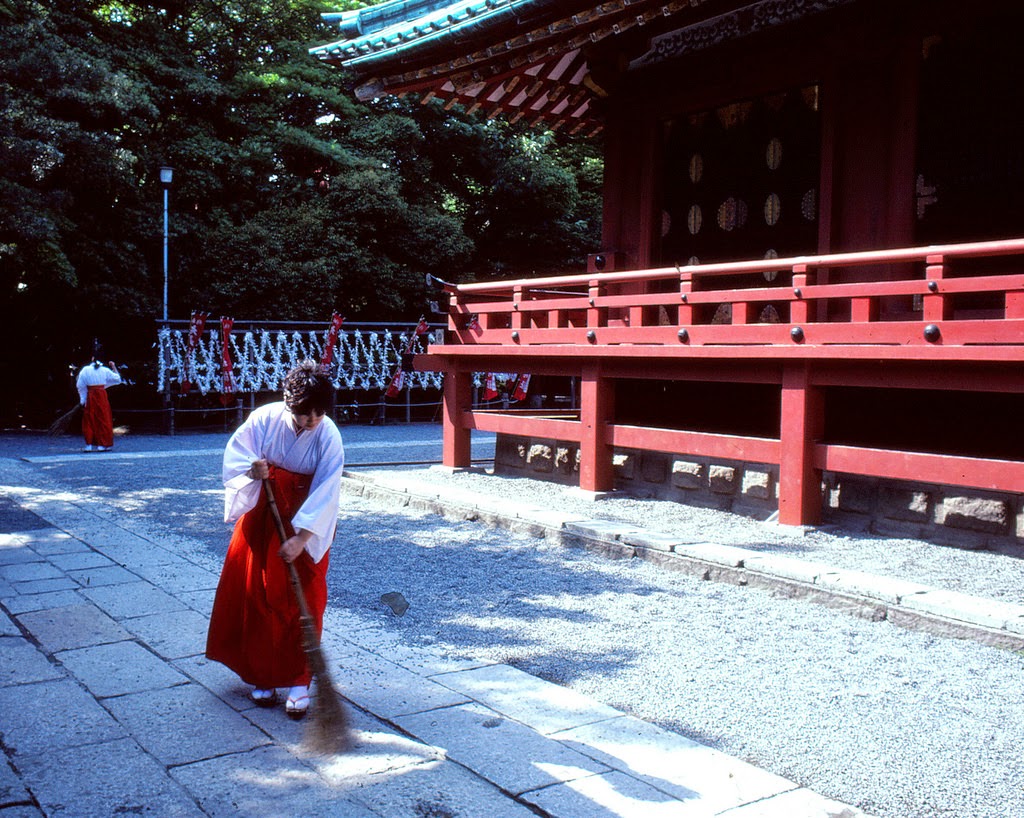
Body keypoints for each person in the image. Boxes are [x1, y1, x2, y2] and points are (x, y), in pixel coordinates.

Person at [205, 360, 345, 719]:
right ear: (288, 404)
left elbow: (327, 491)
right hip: (263, 514)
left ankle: (299, 680)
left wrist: (303, 538)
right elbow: (237, 459)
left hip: (304, 519)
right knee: (257, 593)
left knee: (304, 599)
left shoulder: (328, 435)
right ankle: (262, 674)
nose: (311, 420)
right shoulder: (265, 419)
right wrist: (253, 470)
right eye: (304, 413)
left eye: (318, 413)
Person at [76, 352, 122, 452]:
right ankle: (102, 445)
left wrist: (83, 399)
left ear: (92, 358)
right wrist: (113, 367)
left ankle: (88, 445)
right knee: (103, 419)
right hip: (101, 396)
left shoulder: (85, 370)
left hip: (90, 396)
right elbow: (118, 379)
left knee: (89, 419)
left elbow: (80, 385)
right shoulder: (105, 370)